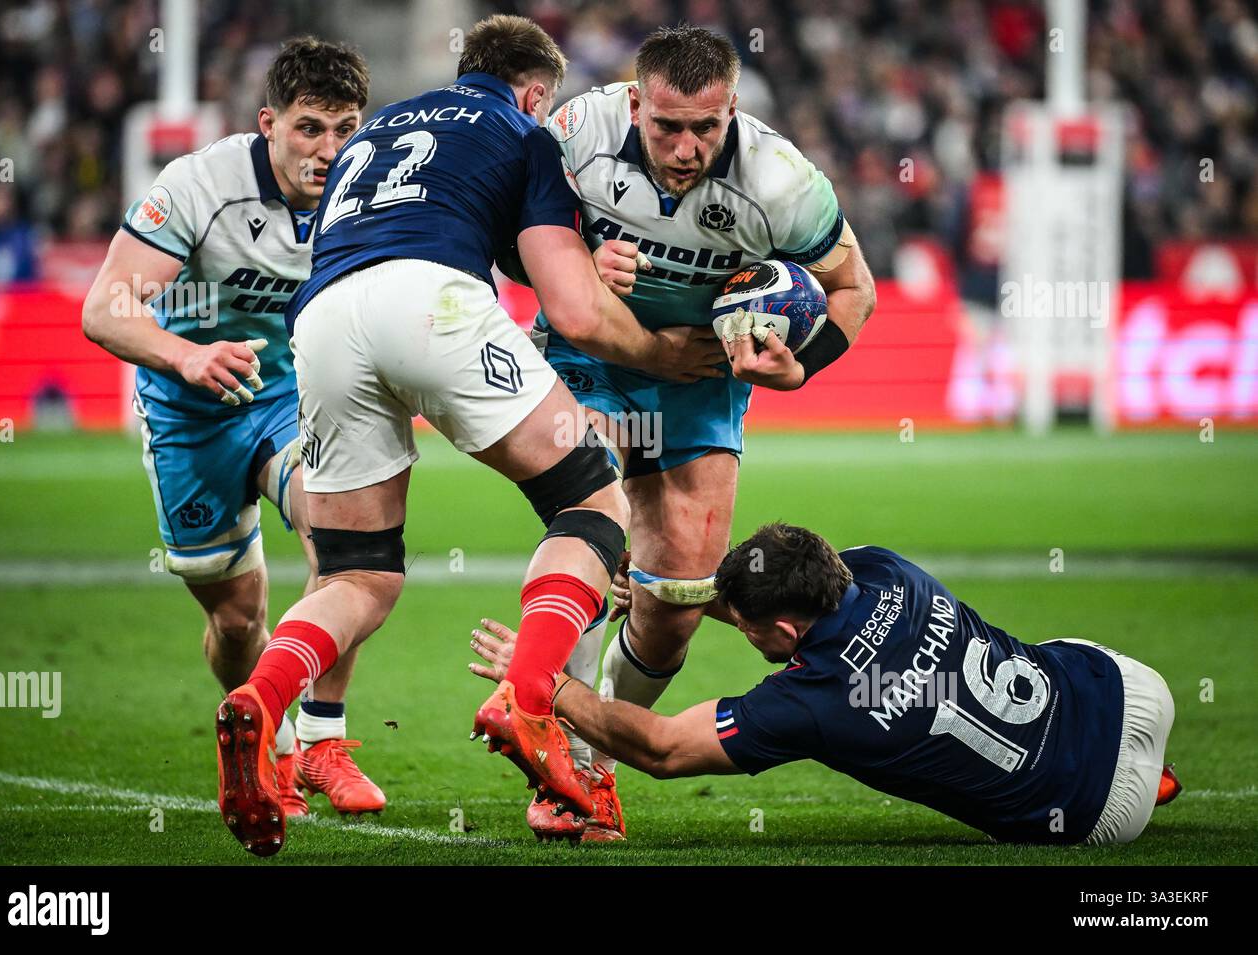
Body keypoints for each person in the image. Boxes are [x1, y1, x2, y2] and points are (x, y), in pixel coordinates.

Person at [212, 15, 723, 857]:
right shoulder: (524, 133)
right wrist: (668, 350)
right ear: (533, 91)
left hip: (324, 321)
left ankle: (264, 703)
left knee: (357, 571)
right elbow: (573, 310)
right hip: (433, 300)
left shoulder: (381, 124)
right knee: (592, 500)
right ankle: (526, 691)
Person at [525, 25, 877, 841]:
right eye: (666, 126)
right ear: (634, 102)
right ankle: (563, 772)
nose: (685, 148)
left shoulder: (782, 183)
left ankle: (594, 754)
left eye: (705, 128)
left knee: (679, 597)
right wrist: (578, 259)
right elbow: (511, 243)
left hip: (697, 378)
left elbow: (853, 286)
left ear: (733, 112)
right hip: (588, 353)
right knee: (594, 515)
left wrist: (803, 366)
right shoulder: (575, 134)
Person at [83, 37, 384, 819]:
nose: (329, 150)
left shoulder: (369, 187)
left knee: (343, 542)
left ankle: (322, 741)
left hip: (289, 394)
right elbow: (105, 307)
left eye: (346, 127)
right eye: (311, 128)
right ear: (268, 124)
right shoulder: (198, 184)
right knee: (236, 613)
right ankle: (265, 739)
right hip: (189, 414)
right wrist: (185, 357)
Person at [470, 522, 1182, 845]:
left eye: (746, 625)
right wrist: (657, 592)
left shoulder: (817, 700)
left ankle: (1136, 780)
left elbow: (659, 748)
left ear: (782, 634)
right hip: (1131, 691)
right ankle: (1155, 769)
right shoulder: (884, 568)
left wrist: (548, 682)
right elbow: (766, 600)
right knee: (1034, 654)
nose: (738, 627)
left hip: (1099, 814)